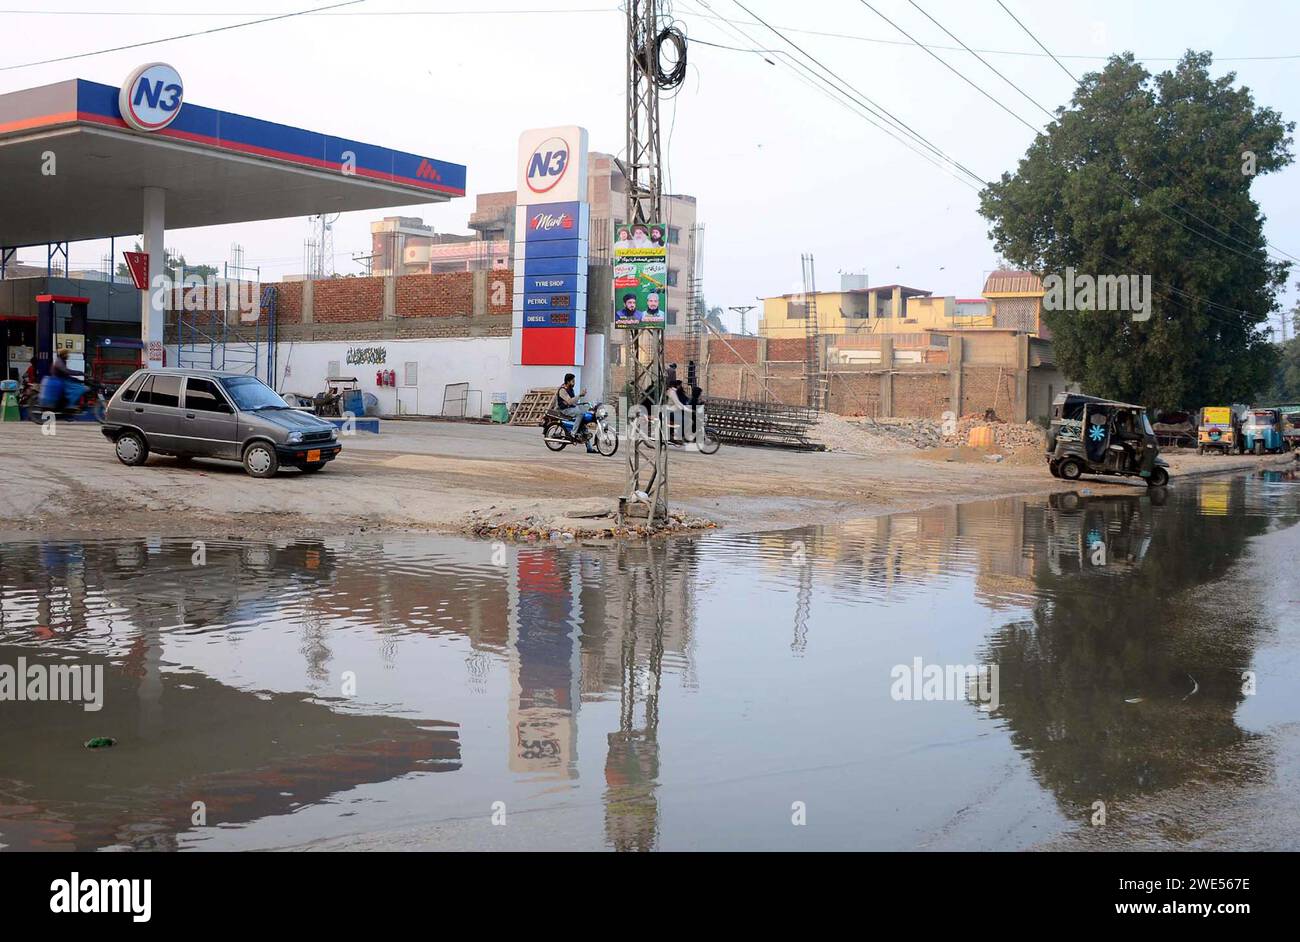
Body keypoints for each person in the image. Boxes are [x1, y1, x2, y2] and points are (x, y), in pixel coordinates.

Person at [555, 373, 595, 453]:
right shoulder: (562, 390)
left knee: (584, 419)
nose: (574, 382)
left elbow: (573, 401)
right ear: (568, 381)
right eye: (573, 381)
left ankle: (589, 448)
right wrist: (580, 395)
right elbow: (569, 401)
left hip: (571, 408)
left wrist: (585, 404)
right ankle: (573, 433)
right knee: (580, 414)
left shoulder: (570, 389)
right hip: (564, 410)